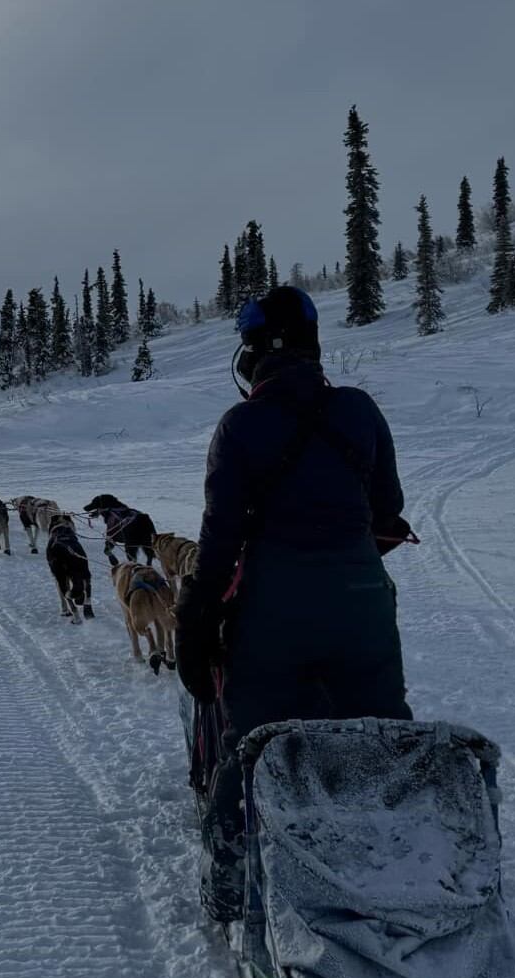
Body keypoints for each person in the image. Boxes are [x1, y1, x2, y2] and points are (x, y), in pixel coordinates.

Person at [172, 285, 415, 921]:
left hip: (271, 610)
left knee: (250, 742)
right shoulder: (359, 410)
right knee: (382, 734)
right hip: (362, 605)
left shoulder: (240, 425)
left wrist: (195, 619)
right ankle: (397, 868)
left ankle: (230, 892)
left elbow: (219, 541)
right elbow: (387, 510)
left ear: (251, 356)